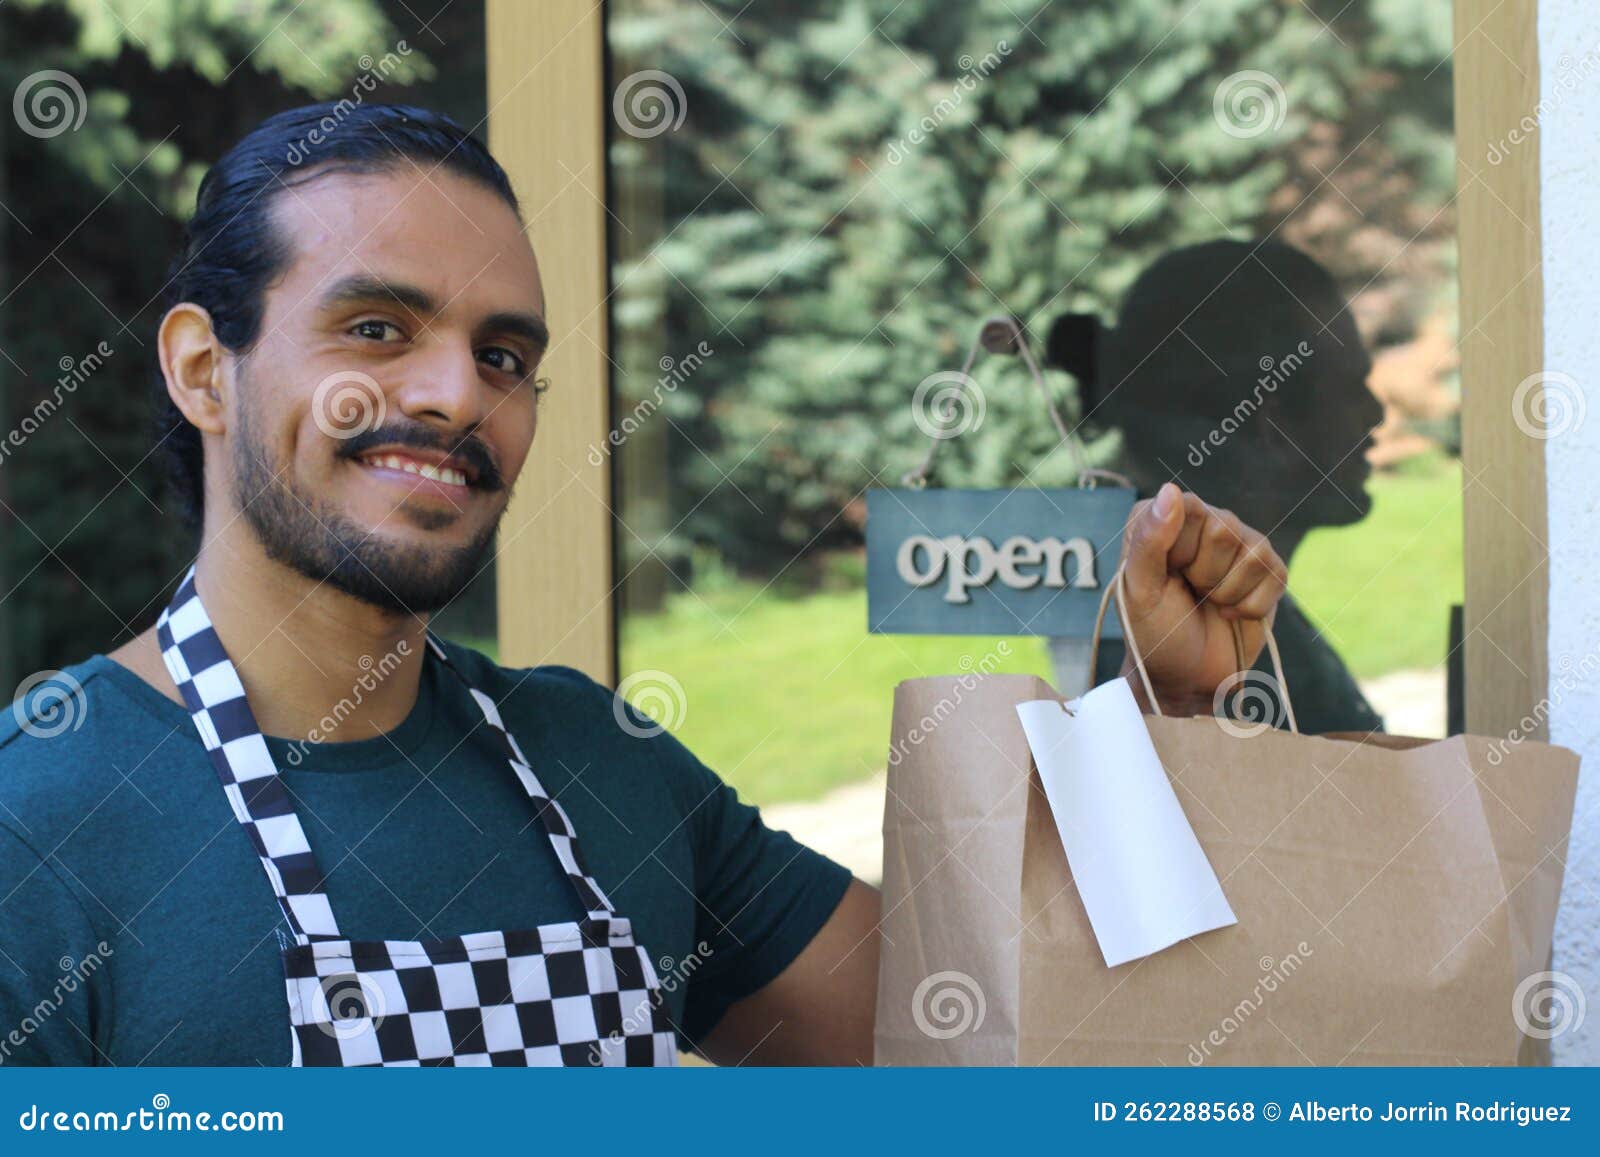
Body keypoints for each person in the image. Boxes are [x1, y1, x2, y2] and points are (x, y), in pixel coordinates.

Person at [0, 104, 1287, 1067]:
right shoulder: (41, 821)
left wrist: (1158, 704)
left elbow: (1012, 1034)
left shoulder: (597, 759)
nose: (457, 396)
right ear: (201, 369)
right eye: (378, 329)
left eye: (503, 354)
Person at [1046, 240, 1387, 735]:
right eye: (1353, 385)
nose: (1377, 413)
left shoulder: (1226, 619)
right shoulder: (1182, 642)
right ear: (1275, 426)